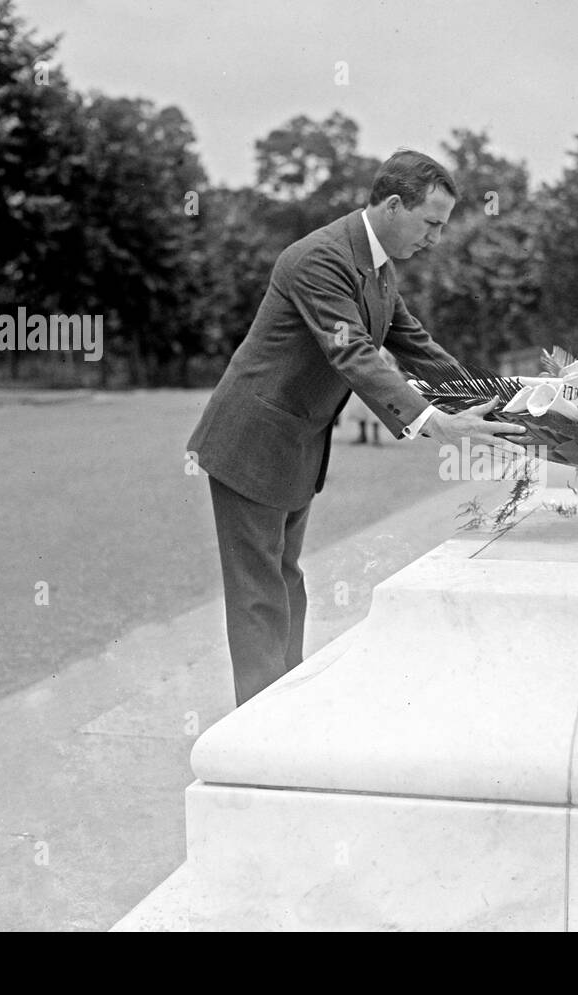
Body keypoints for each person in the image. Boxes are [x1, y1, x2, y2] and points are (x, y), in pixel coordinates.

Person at [187, 149, 525, 705]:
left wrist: (504, 402)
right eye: (431, 224)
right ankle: (259, 727)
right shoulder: (319, 259)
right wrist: (436, 422)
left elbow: (417, 347)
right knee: (258, 593)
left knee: (284, 579)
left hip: (293, 446)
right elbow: (355, 354)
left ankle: (282, 701)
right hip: (250, 443)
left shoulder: (379, 270)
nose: (436, 239)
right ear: (394, 206)